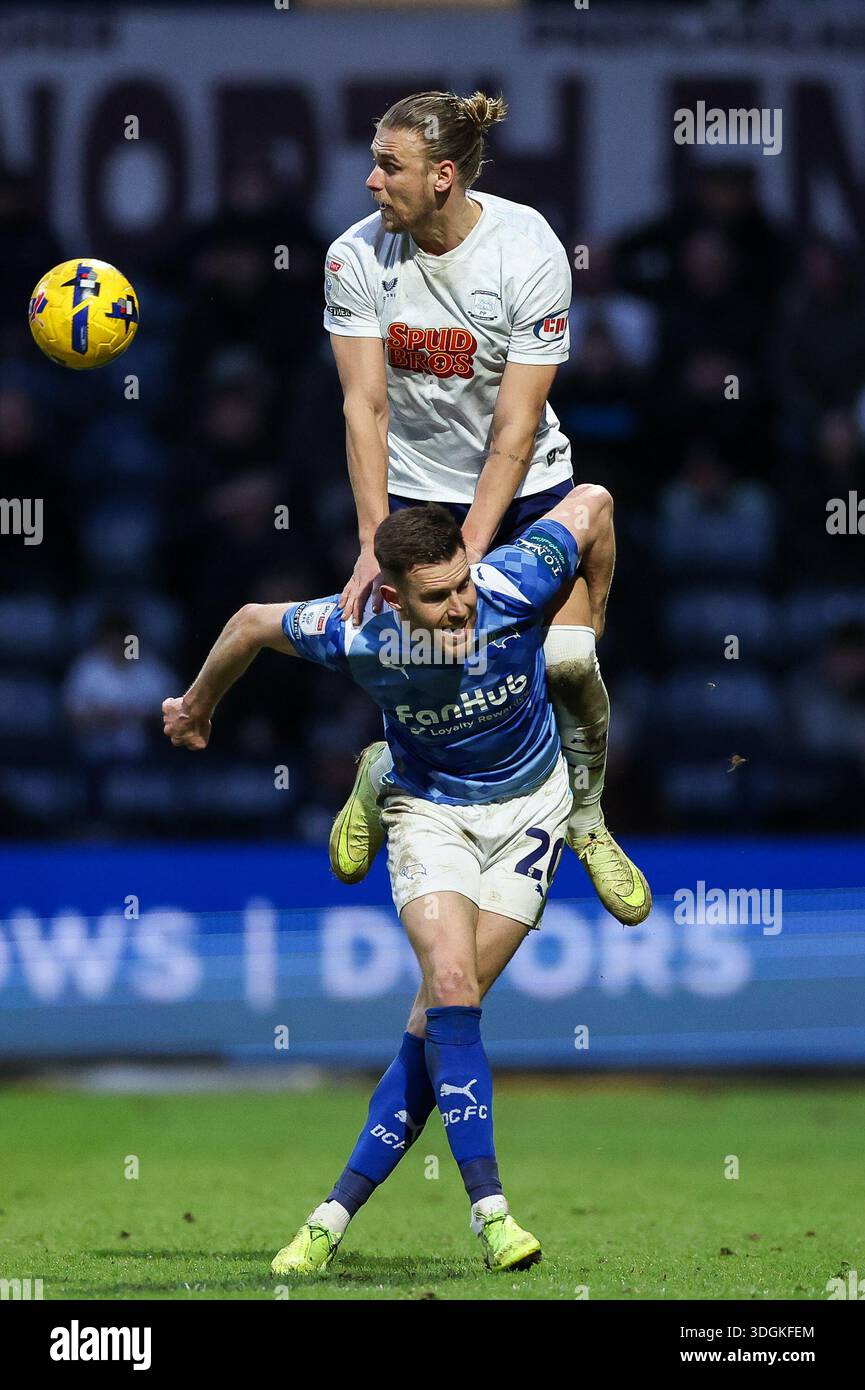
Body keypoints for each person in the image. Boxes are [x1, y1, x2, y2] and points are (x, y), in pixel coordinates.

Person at [163, 483, 633, 1275]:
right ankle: (492, 1215)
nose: (460, 610)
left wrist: (589, 632)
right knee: (452, 986)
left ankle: (328, 1216)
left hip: (532, 808)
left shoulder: (511, 583)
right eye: (437, 598)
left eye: (462, 586)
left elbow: (592, 502)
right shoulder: (354, 630)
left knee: (437, 1021)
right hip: (431, 810)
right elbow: (248, 623)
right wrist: (197, 706)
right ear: (390, 595)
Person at [323, 88, 650, 926]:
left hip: (528, 483)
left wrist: (475, 553)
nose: (369, 182)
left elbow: (512, 426)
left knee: (571, 665)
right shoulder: (353, 259)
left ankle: (587, 817)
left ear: (441, 175)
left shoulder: (527, 247)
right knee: (424, 675)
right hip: (416, 497)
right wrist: (371, 541)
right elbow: (365, 406)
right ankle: (386, 770)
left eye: (386, 166)